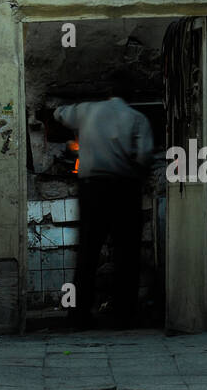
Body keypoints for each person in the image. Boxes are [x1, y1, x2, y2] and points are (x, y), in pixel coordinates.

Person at [40, 89, 154, 330]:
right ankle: (123, 315)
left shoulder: (86, 110)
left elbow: (59, 114)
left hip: (92, 189)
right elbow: (144, 156)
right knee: (126, 254)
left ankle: (79, 316)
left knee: (88, 253)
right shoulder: (136, 118)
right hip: (124, 188)